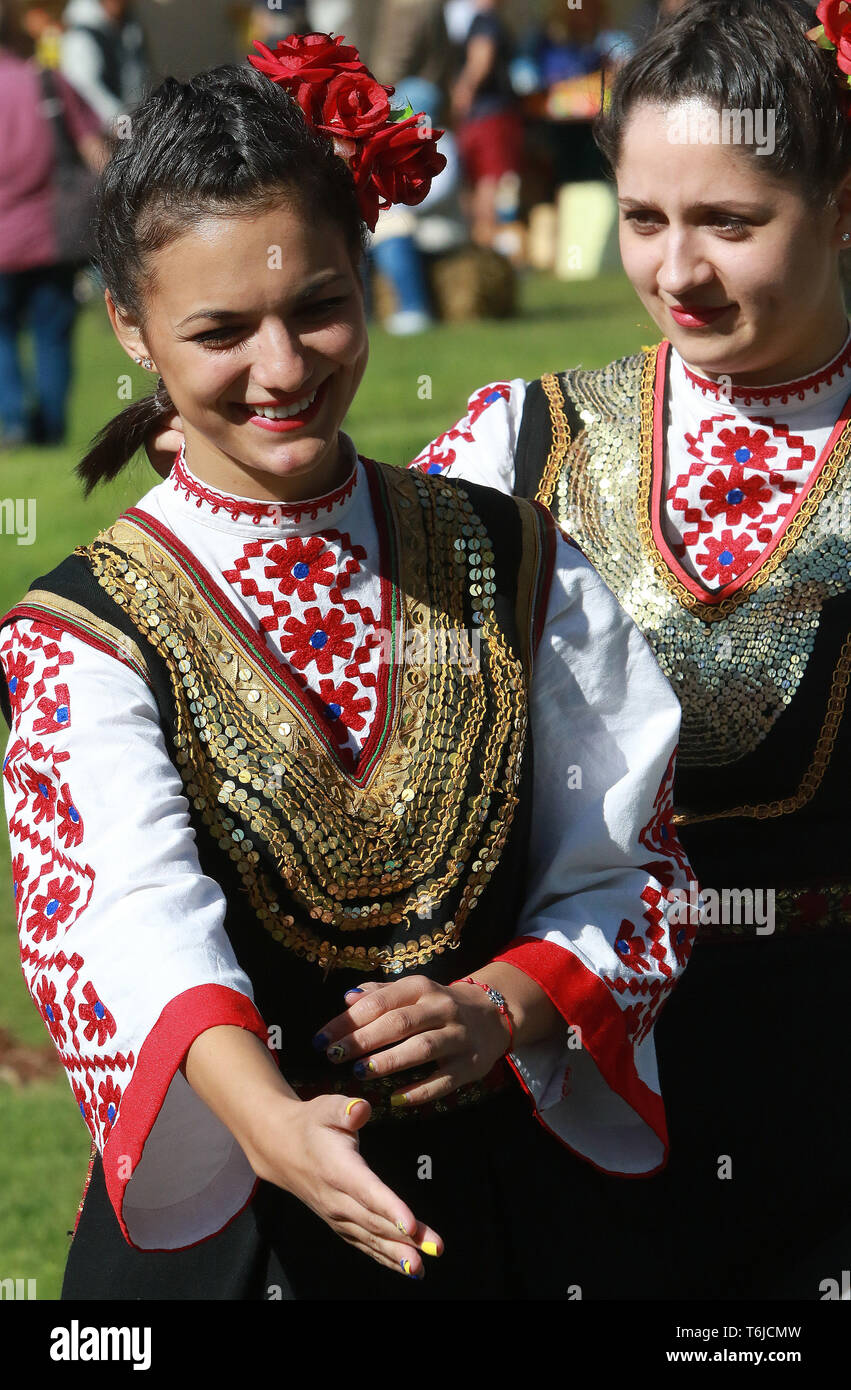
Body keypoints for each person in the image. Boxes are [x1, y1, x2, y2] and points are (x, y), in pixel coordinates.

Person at [0, 38, 695, 1300]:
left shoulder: (513, 556)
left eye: (316, 306)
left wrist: (499, 1007)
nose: (282, 366)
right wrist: (268, 1120)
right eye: (220, 329)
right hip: (238, 1223)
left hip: (503, 1206)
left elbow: (634, 863)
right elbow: (122, 916)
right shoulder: (82, 632)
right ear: (131, 327)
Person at [406, 0, 851, 1298]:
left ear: (835, 204)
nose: (676, 272)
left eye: (728, 222)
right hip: (575, 1074)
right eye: (643, 219)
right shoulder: (521, 441)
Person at [0, 0, 105, 448]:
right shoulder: (46, 81)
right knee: (52, 332)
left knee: (1, 335)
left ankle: (14, 421)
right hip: (53, 234)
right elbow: (94, 150)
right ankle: (52, 426)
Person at [451, 0, 525, 248]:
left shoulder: (477, 21)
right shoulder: (486, 20)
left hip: (479, 117)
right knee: (491, 180)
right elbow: (481, 58)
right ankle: (488, 240)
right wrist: (465, 91)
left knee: (479, 181)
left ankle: (481, 239)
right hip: (491, 116)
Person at [60, 0, 148, 130]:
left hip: (134, 120)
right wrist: (121, 122)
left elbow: (136, 74)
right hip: (107, 132)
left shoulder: (126, 24)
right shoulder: (80, 37)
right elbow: (88, 88)